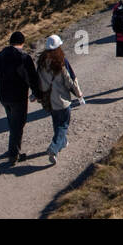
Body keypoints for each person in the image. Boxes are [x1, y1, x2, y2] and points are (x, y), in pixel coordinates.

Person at [0, 31, 42, 165]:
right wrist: (37, 93)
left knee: (12, 122)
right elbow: (31, 78)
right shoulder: (24, 58)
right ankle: (13, 155)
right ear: (22, 43)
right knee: (18, 124)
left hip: (3, 96)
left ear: (10, 42)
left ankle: (13, 147)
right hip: (18, 97)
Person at [35, 34, 85, 165]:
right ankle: (54, 148)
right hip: (62, 100)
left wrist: (35, 95)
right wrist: (78, 93)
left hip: (49, 101)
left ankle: (62, 142)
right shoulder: (61, 62)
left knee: (57, 123)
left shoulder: (41, 63)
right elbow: (69, 80)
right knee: (63, 124)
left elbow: (38, 82)